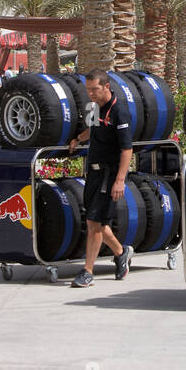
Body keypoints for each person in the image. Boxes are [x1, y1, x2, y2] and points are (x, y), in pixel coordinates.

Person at [65, 70, 134, 288]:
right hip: (93, 173)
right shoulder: (96, 108)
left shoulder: (119, 111)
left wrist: (120, 180)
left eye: (95, 89)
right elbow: (93, 129)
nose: (91, 93)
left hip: (108, 174)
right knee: (99, 223)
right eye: (88, 90)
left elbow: (127, 149)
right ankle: (121, 252)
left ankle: (87, 271)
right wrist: (78, 139)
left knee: (93, 222)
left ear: (107, 87)